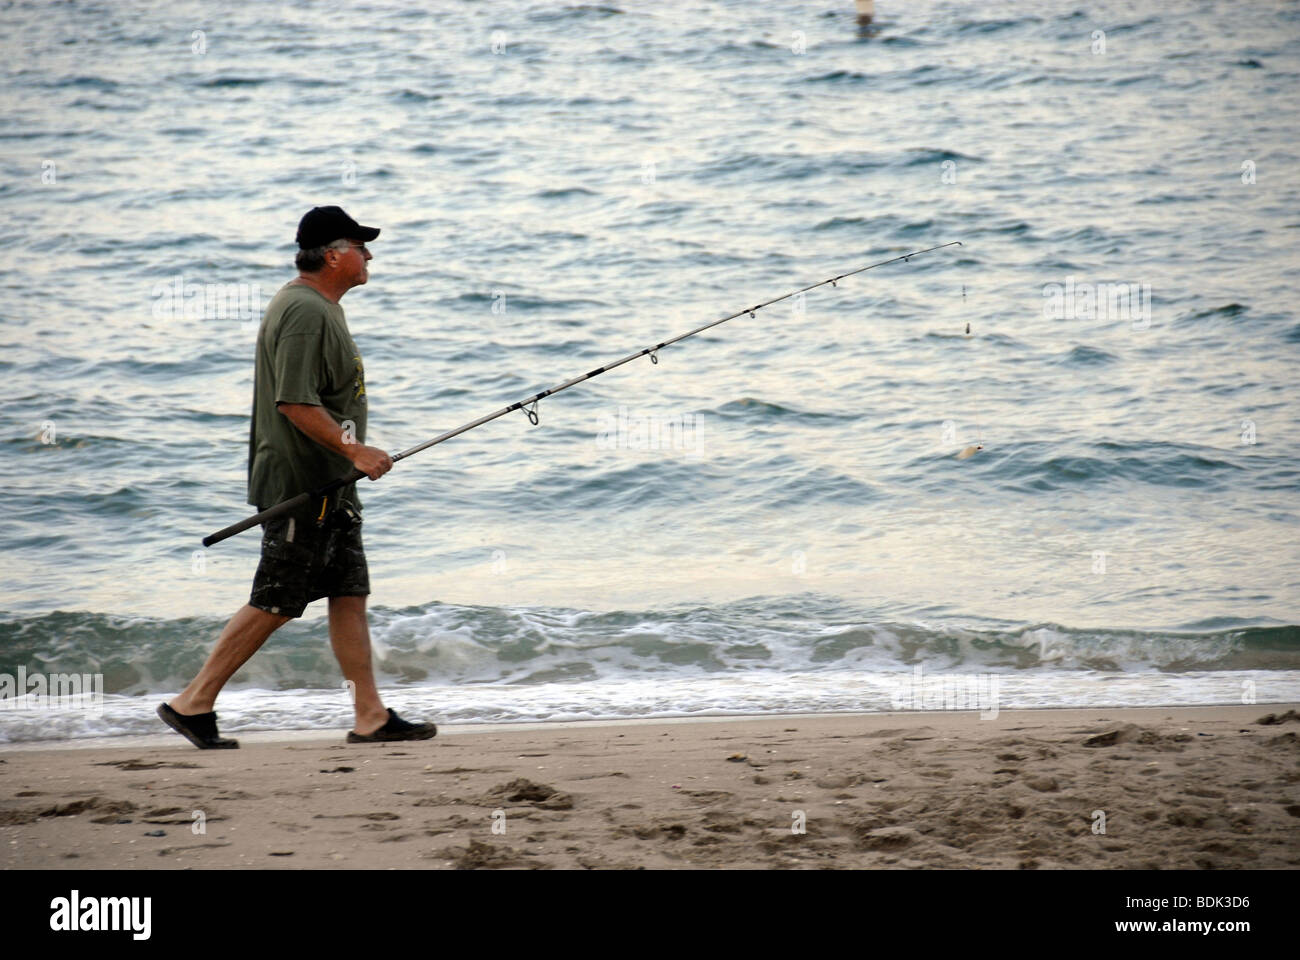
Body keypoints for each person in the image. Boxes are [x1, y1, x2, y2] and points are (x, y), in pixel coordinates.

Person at [158, 206, 436, 749]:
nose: (370, 256)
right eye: (361, 247)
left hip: (334, 485)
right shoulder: (305, 310)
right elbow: (294, 402)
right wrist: (355, 450)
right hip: (302, 486)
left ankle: (370, 715)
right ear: (333, 255)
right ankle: (192, 703)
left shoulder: (322, 307)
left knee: (348, 593)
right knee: (277, 599)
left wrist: (347, 461)